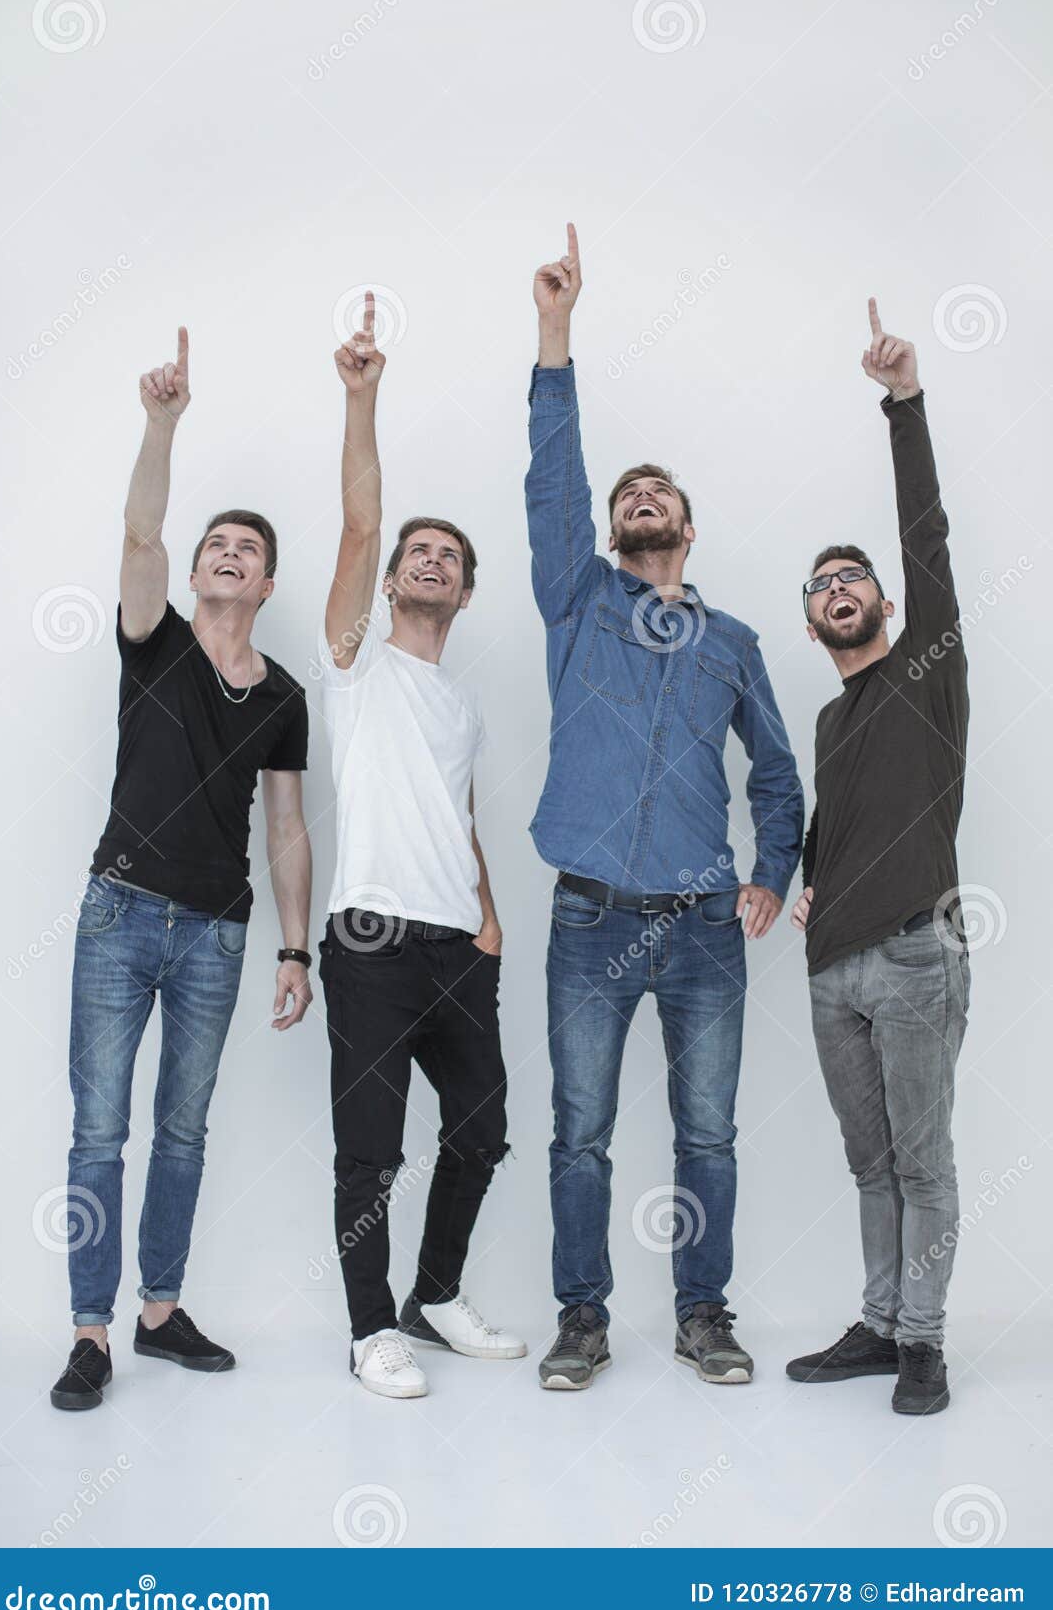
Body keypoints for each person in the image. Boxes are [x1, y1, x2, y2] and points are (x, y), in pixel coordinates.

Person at [525, 226, 804, 1391]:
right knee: (579, 1133)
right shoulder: (576, 598)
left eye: (659, 494)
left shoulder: (731, 641)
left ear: (685, 528)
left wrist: (770, 873)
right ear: (612, 527)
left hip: (698, 925)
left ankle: (703, 1313)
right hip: (589, 918)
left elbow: (777, 776)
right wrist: (555, 335)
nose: (638, 499)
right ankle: (580, 1318)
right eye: (626, 493)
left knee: (707, 1135)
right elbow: (552, 477)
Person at [51, 328, 313, 1412]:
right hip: (119, 914)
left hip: (217, 930)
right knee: (100, 1128)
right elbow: (140, 529)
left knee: (184, 1129)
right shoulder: (152, 638)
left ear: (264, 580)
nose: (224, 553)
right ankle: (88, 1332)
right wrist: (162, 422)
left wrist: (296, 947)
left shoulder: (285, 694)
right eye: (216, 542)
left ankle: (160, 1312)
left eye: (245, 548)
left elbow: (288, 830)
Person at [318, 293, 525, 1401]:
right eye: (417, 552)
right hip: (370, 937)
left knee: (482, 1126)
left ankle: (432, 1296)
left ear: (464, 587)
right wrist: (363, 397)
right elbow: (356, 524)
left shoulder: (460, 704)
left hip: (457, 945)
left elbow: (463, 812)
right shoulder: (356, 664)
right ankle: (368, 1329)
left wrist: (489, 911)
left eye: (449, 554)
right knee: (371, 1151)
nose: (429, 561)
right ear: (393, 579)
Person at [786, 299, 969, 1416]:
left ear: (884, 605)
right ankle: (876, 1318)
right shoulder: (827, 718)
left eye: (849, 576)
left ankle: (924, 1344)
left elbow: (925, 533)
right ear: (811, 623)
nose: (836, 587)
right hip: (831, 972)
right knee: (868, 1166)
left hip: (912, 958)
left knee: (922, 1162)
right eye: (818, 585)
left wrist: (900, 400)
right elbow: (834, 816)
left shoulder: (925, 670)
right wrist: (808, 876)